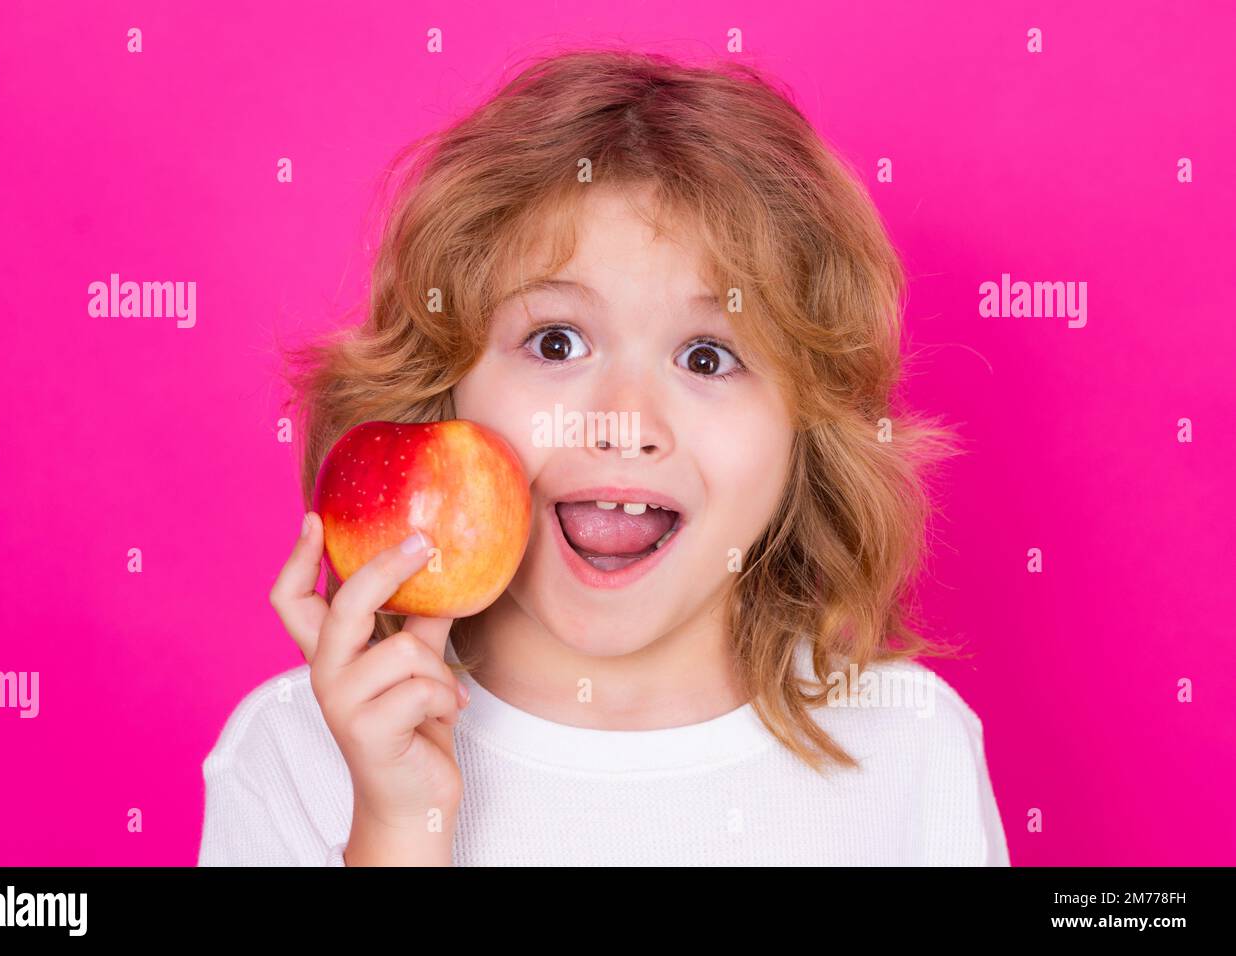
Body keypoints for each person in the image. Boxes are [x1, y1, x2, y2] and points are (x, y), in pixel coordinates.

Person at [198, 48, 1009, 866]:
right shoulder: (297, 756)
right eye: (556, 342)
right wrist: (402, 831)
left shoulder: (908, 749)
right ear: (445, 396)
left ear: (806, 429)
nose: (625, 423)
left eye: (706, 358)